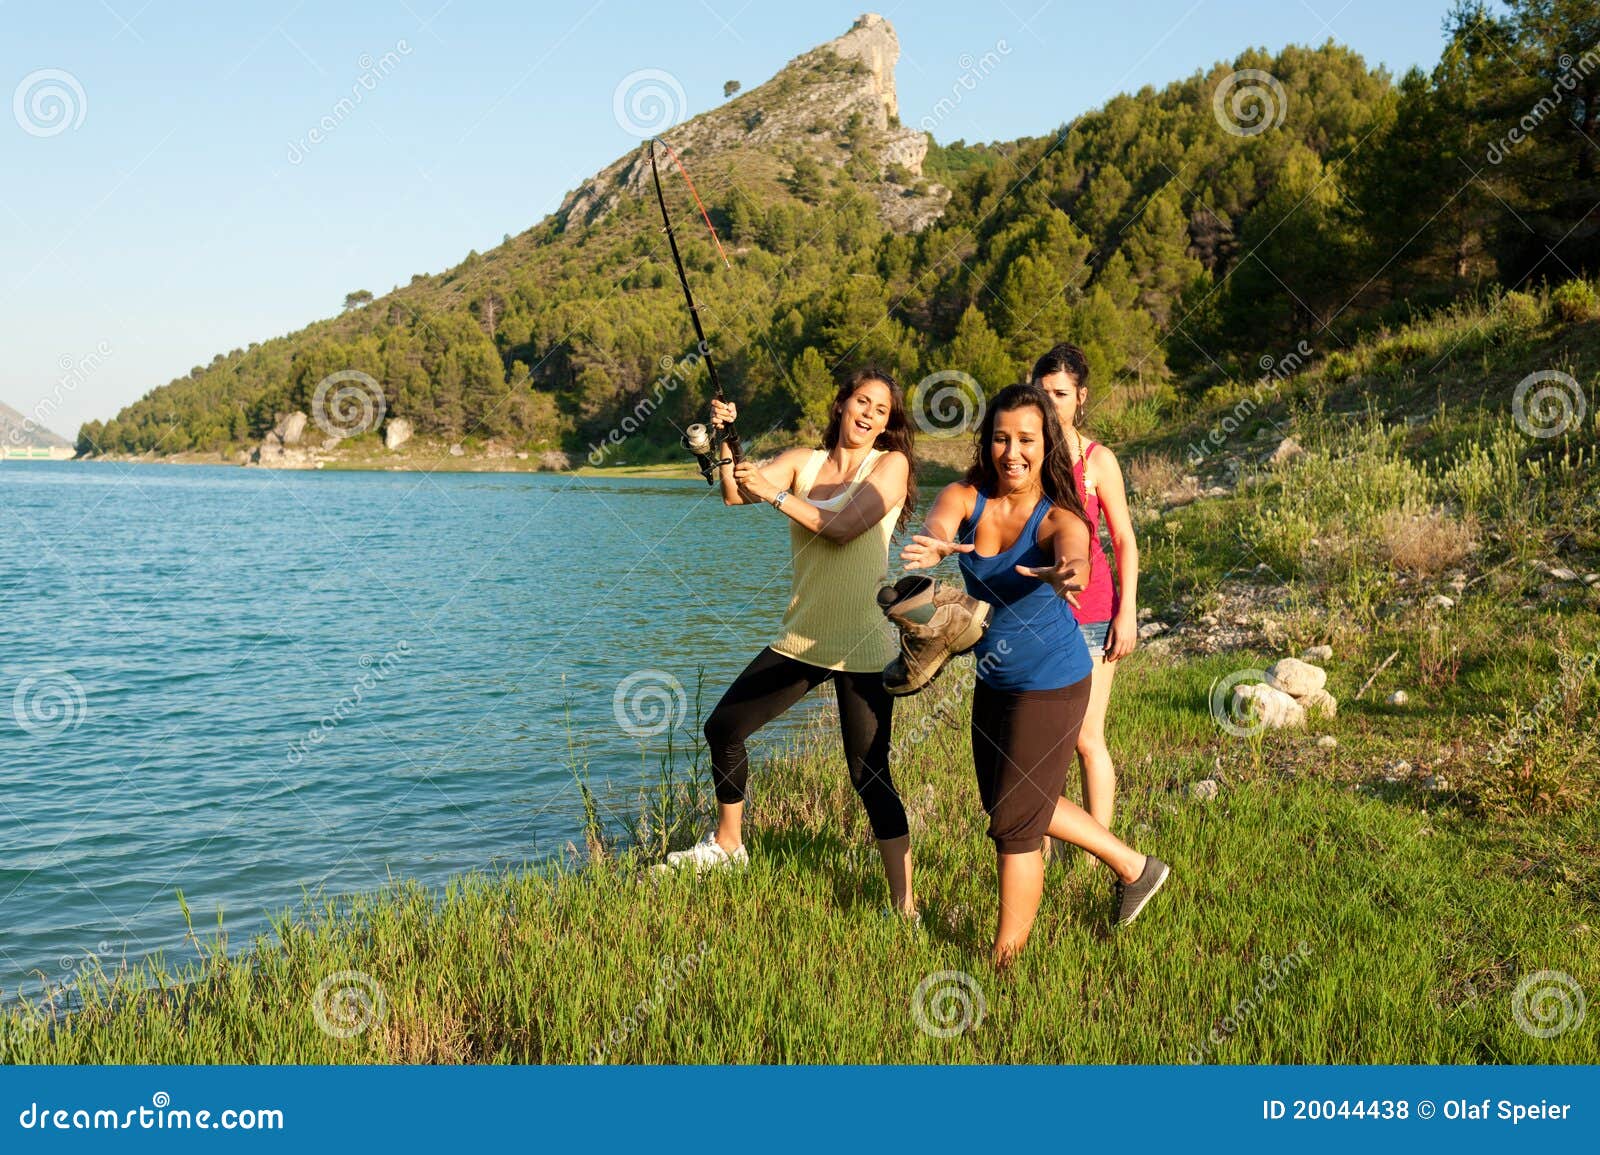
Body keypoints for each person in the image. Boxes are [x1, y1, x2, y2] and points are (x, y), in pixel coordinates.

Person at [901, 383, 1168, 962]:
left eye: (1026, 439)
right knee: (1011, 804)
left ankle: (1004, 961)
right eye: (1001, 438)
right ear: (986, 441)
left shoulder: (1057, 514)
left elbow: (1075, 547)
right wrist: (939, 547)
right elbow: (941, 522)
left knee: (1015, 825)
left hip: (1053, 681)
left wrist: (1067, 572)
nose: (1012, 452)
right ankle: (1134, 866)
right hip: (994, 679)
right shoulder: (965, 495)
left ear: (1046, 443)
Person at [661, 368, 921, 918]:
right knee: (723, 727)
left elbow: (845, 527)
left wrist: (776, 494)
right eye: (861, 401)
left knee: (868, 775)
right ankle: (729, 845)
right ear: (842, 404)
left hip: (863, 644)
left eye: (881, 408)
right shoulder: (806, 460)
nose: (869, 413)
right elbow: (734, 494)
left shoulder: (890, 466)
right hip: (803, 637)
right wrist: (728, 439)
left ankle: (905, 907)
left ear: (888, 423)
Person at [1031, 343, 1140, 854]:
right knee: (1039, 744)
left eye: (1059, 394)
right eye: (1041, 393)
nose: (1049, 403)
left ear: (1080, 398)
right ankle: (1039, 850)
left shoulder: (1098, 461)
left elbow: (1122, 540)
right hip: (1036, 617)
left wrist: (1128, 612)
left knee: (1085, 738)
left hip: (1094, 616)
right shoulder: (1022, 456)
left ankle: (1102, 854)